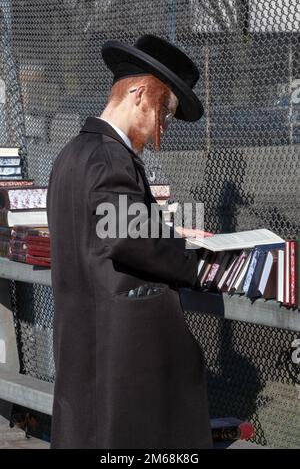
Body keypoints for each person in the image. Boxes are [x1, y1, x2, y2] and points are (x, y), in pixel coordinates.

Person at [47, 34, 213, 449]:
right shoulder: (110, 158)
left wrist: (169, 231)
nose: (164, 126)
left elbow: (105, 229)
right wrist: (201, 262)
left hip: (87, 344)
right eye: (165, 110)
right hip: (123, 354)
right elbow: (125, 237)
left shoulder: (73, 153)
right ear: (140, 93)